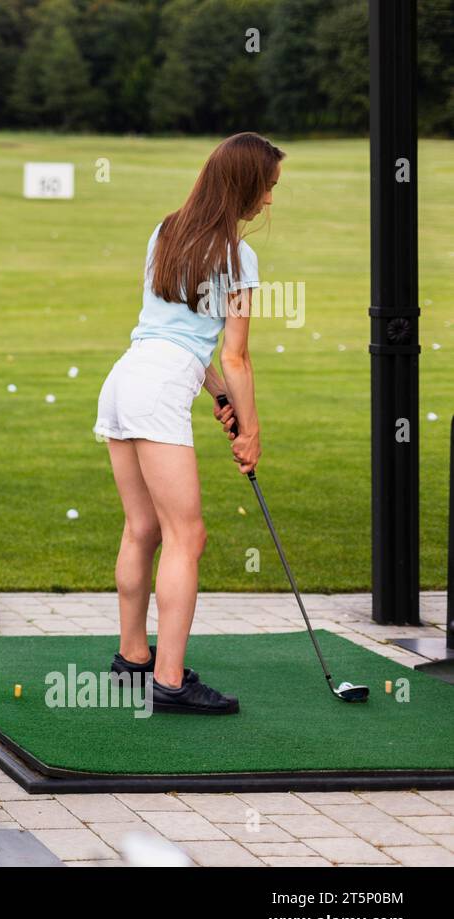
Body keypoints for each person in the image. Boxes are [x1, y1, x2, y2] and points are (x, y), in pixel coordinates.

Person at [93, 131, 284, 715]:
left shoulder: (166, 230)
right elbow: (235, 356)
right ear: (246, 185)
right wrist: (249, 432)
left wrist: (220, 397)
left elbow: (176, 335)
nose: (270, 201)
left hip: (124, 379)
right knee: (187, 535)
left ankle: (133, 661)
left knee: (142, 528)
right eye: (268, 188)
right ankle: (170, 682)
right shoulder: (239, 256)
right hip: (158, 390)